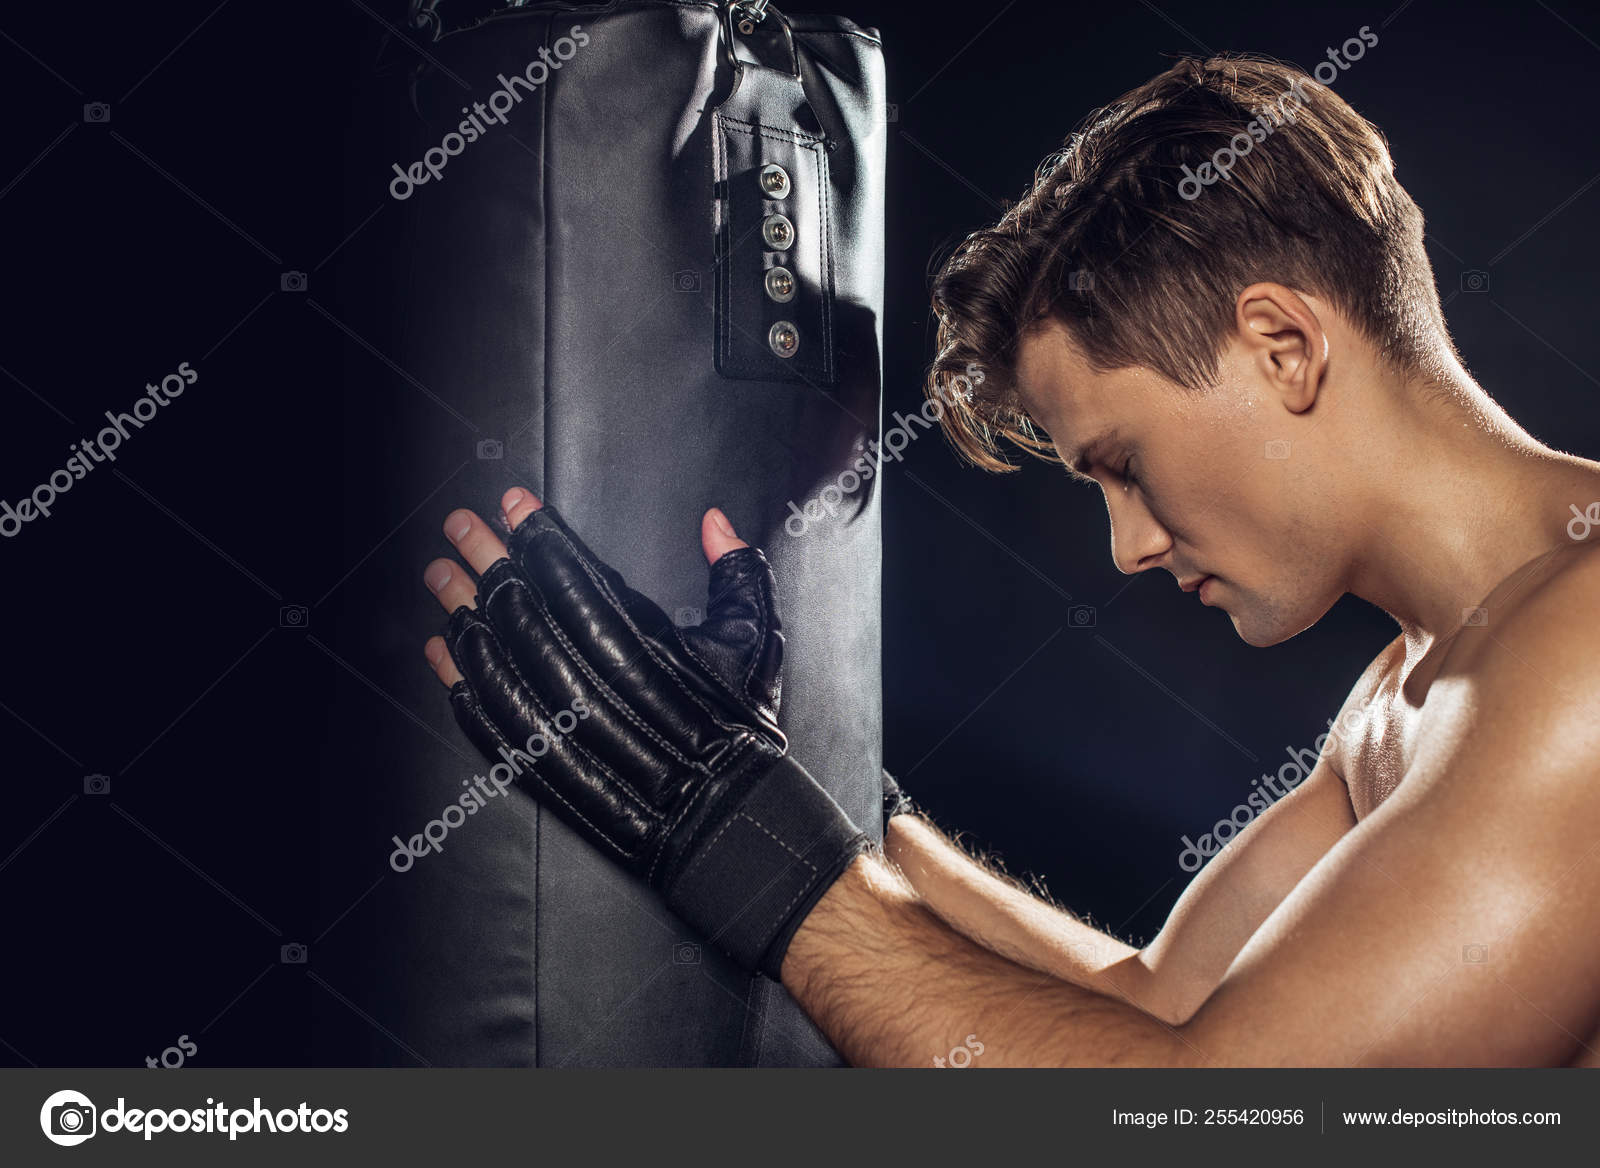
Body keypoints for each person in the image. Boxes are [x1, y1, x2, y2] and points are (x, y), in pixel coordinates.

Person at [415, 55, 1600, 1066]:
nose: (1130, 546)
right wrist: (836, 797)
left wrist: (732, 835)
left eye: (1125, 463)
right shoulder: (1402, 695)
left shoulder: (1581, 650)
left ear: (1281, 345)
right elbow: (1158, 1008)